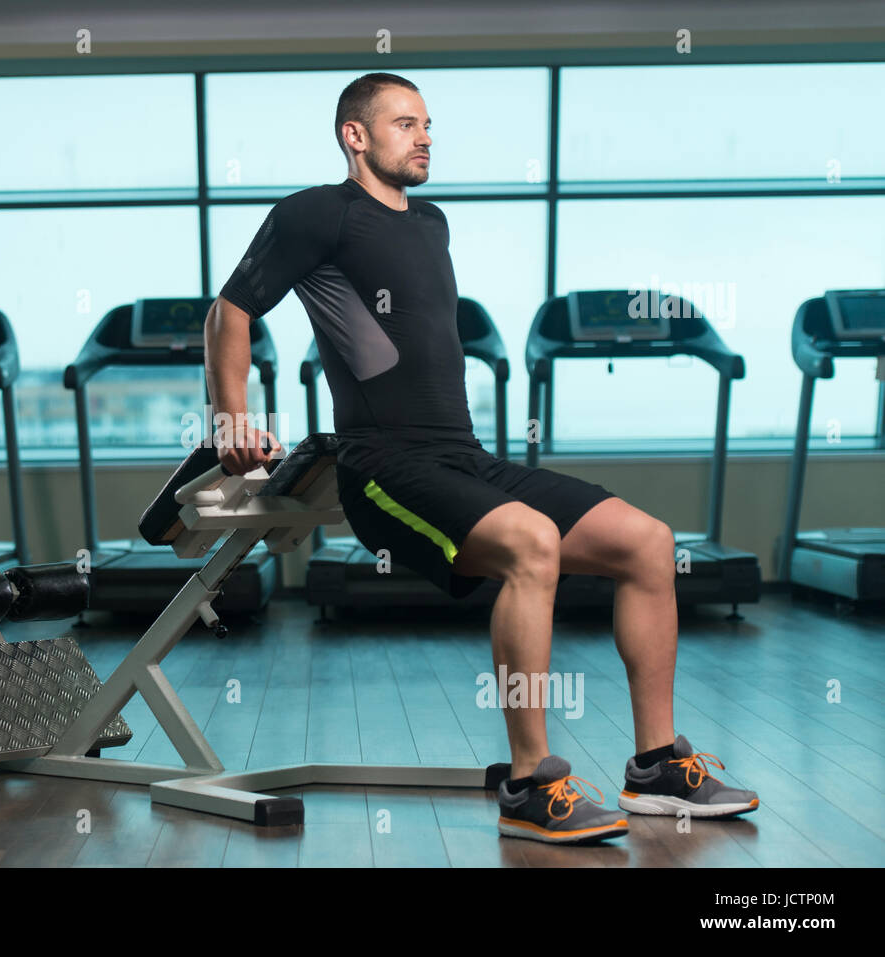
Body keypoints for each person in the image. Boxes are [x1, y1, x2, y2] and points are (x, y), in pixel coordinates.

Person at [203, 72, 759, 845]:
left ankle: (656, 766)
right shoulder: (315, 214)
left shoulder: (430, 222)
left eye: (428, 123)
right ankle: (530, 783)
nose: (425, 135)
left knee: (647, 542)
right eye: (405, 123)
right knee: (531, 542)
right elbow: (231, 310)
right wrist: (231, 417)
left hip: (463, 456)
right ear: (355, 136)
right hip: (382, 467)